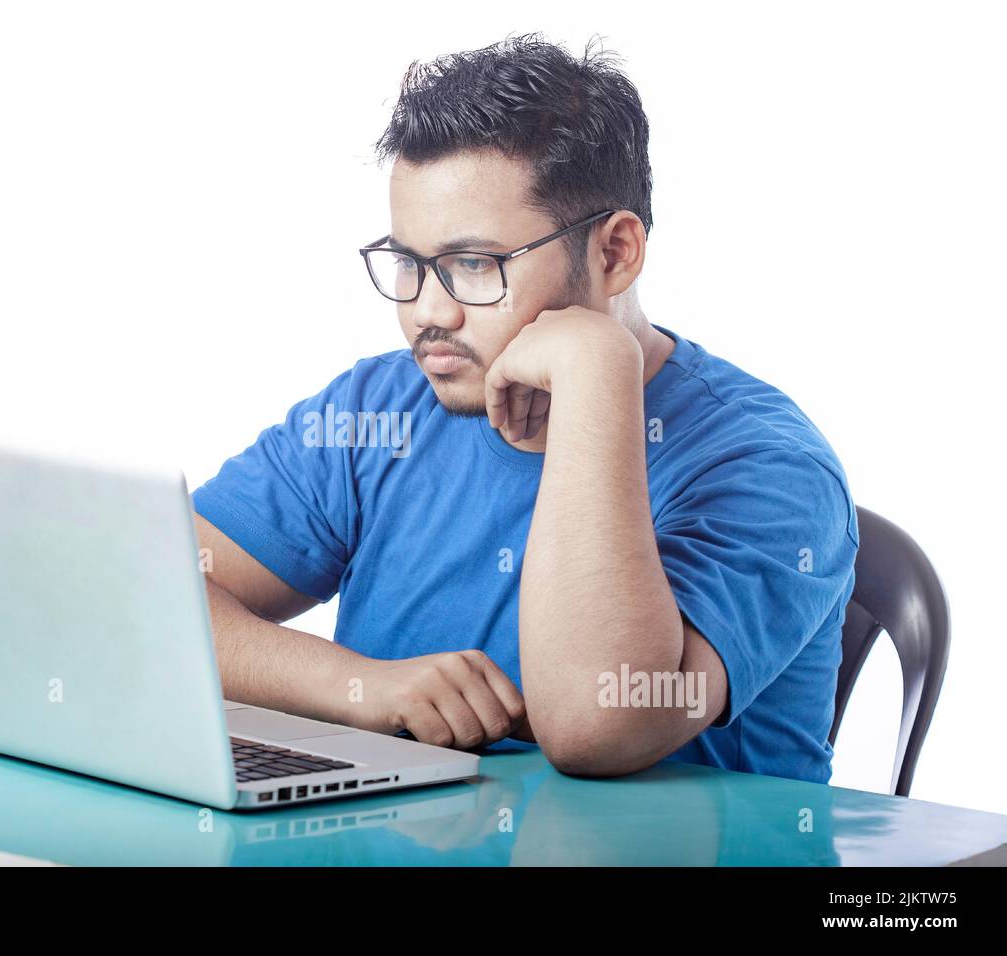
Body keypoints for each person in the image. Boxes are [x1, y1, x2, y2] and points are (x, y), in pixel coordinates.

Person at [192, 33, 858, 784]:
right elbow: (153, 595)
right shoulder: (377, 409)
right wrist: (359, 689)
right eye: (408, 264)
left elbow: (593, 724)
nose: (427, 314)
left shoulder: (772, 470)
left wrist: (599, 374)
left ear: (614, 254)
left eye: (474, 264)